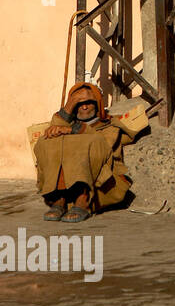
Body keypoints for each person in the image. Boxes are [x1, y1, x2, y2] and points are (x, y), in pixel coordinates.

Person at [33, 82, 141, 222]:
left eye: (89, 102)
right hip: (67, 186)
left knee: (87, 143)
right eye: (79, 103)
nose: (84, 107)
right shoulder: (69, 123)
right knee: (46, 141)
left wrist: (73, 131)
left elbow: (104, 144)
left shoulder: (110, 125)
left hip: (100, 184)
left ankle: (82, 200)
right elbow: (55, 128)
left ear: (97, 104)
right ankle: (59, 198)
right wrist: (69, 105)